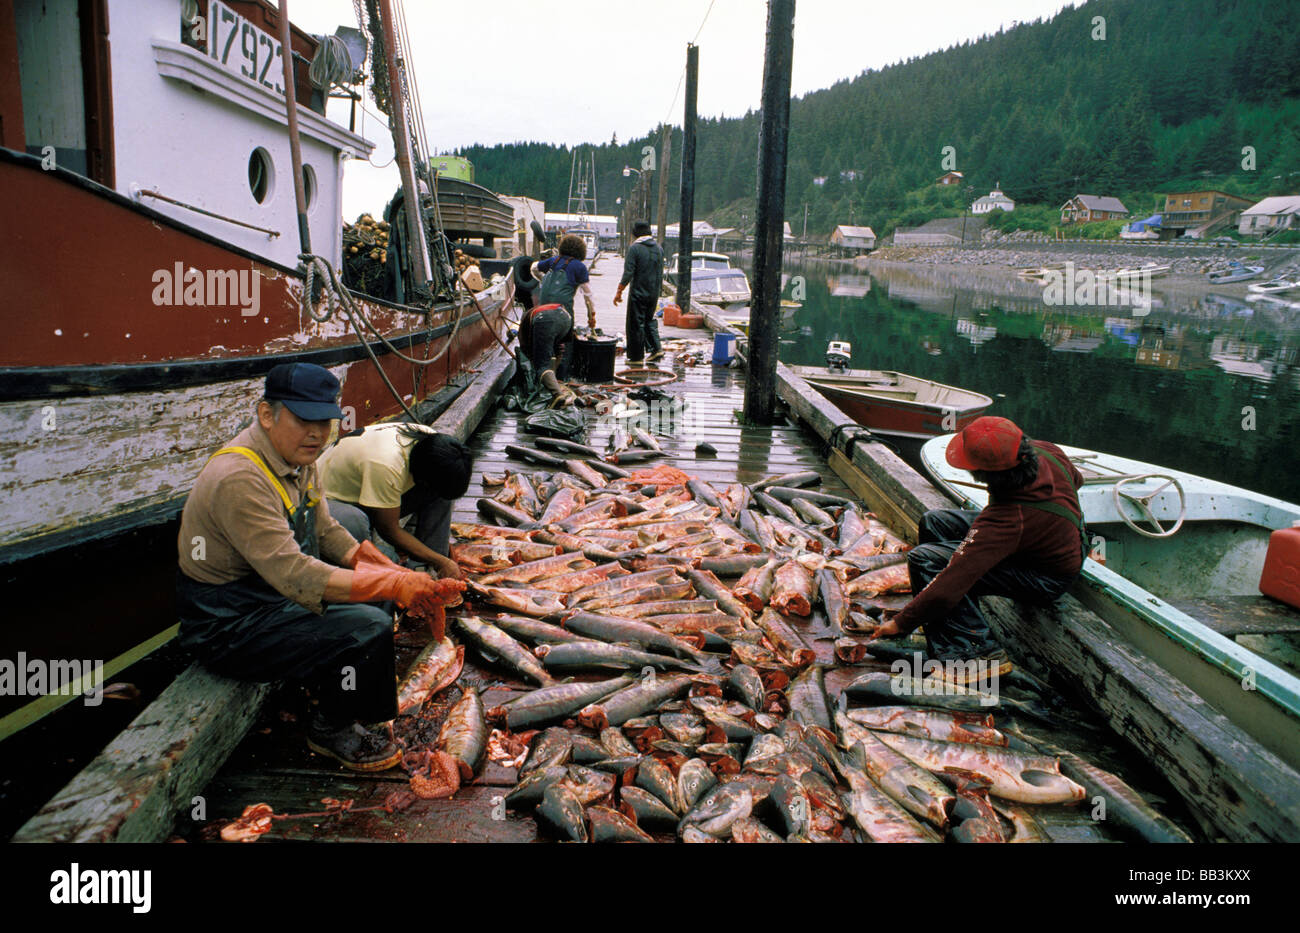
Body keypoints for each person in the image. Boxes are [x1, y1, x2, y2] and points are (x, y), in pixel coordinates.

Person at [176, 363, 462, 771]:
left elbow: (326, 530)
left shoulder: (297, 456)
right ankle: (330, 729)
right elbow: (296, 574)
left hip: (270, 593)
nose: (316, 433)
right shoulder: (239, 477)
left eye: (324, 422)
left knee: (377, 604)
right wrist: (393, 585)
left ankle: (333, 690)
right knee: (368, 626)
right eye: (303, 420)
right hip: (230, 621)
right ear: (266, 414)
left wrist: (394, 574)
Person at [871, 416, 1087, 683]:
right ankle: (946, 628)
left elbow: (954, 576)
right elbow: (1076, 481)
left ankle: (973, 654)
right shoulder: (1048, 450)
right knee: (935, 521)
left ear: (984, 475)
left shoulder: (1005, 519)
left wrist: (901, 622)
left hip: (1045, 577)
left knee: (927, 561)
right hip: (1052, 539)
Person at [317, 423, 471, 580]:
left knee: (442, 492)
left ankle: (426, 569)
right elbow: (388, 529)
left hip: (368, 485)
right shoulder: (386, 464)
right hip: (330, 500)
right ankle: (369, 572)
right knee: (358, 523)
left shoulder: (432, 441)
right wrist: (442, 561)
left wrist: (439, 552)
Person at [614, 220, 665, 364]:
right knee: (649, 320)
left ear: (635, 234)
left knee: (636, 323)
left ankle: (636, 358)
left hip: (638, 292)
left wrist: (619, 291)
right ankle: (656, 349)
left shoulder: (634, 248)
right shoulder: (659, 249)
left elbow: (628, 273)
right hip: (654, 293)